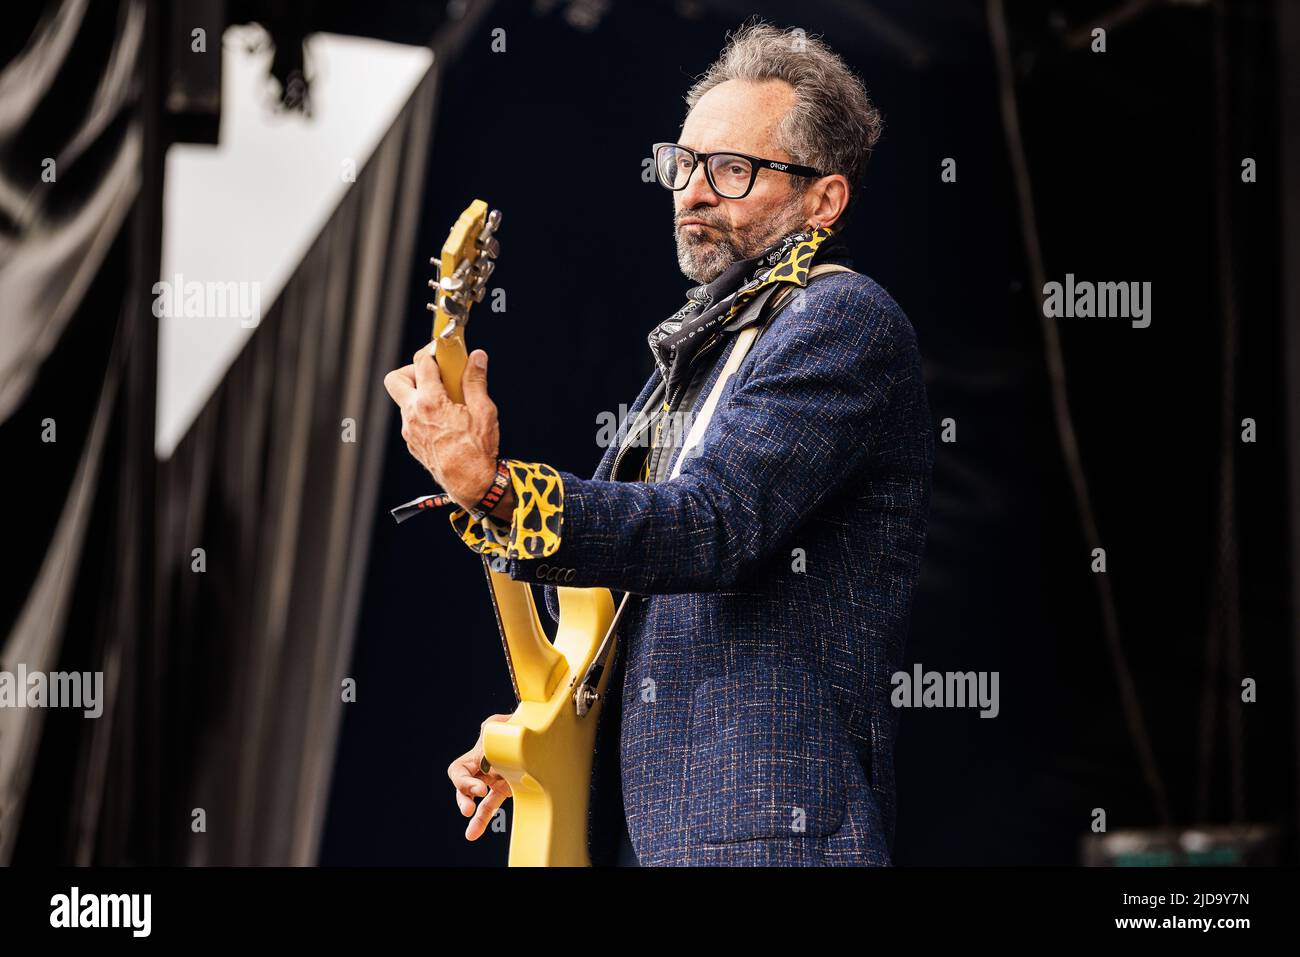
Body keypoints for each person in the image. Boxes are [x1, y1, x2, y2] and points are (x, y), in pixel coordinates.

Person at [384, 21, 933, 866]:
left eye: (734, 170)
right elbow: (609, 589)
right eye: (684, 163)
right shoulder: (702, 351)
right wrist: (540, 740)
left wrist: (492, 486)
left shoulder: (840, 319)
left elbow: (712, 525)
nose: (693, 191)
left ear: (824, 200)